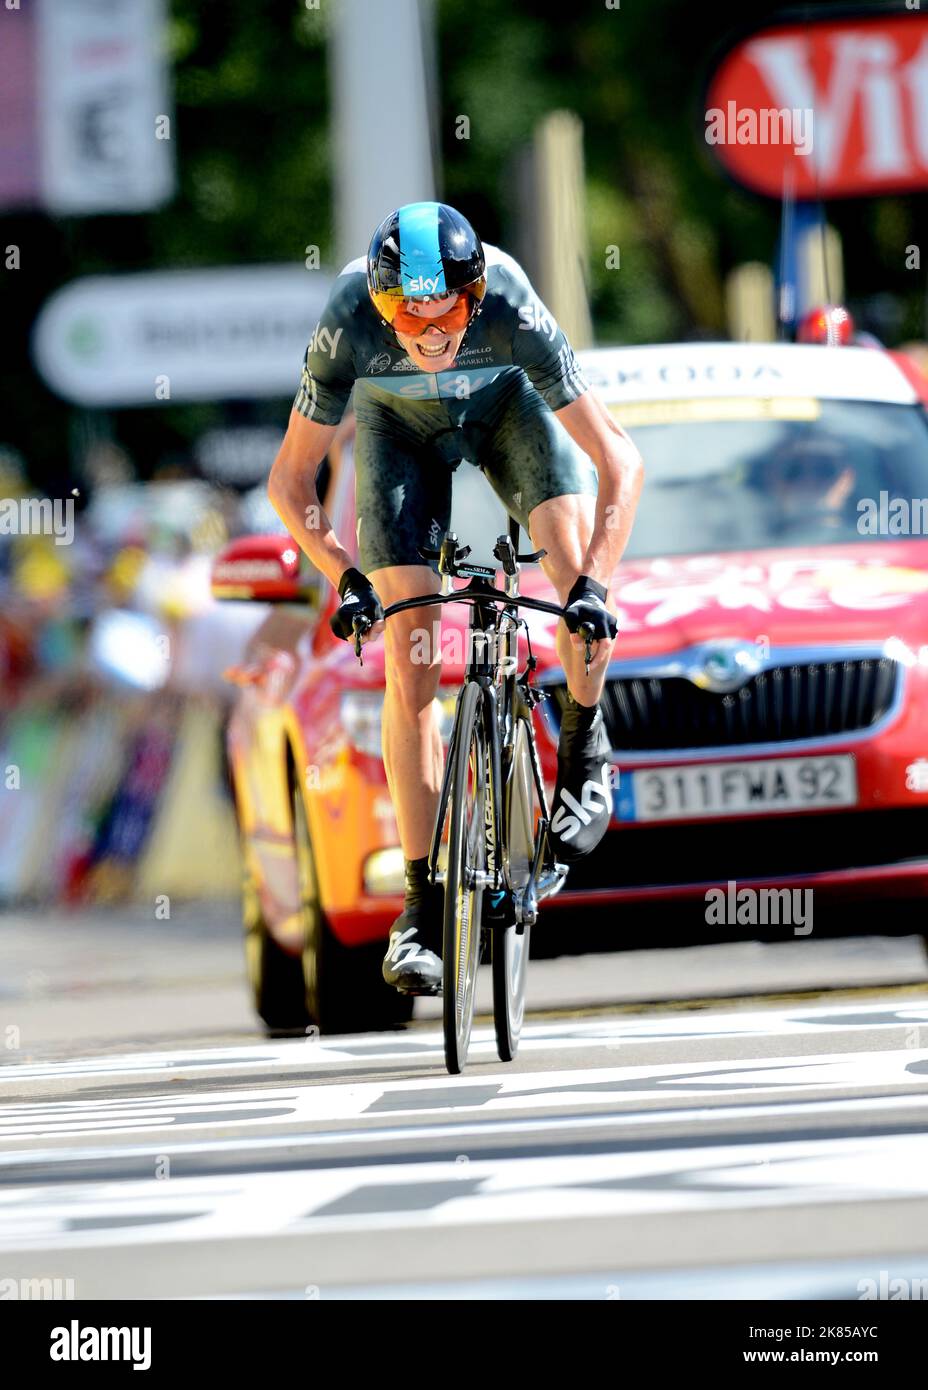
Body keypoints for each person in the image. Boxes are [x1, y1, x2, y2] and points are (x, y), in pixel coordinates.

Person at [269, 201, 643, 996]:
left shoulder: (508, 300)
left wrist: (594, 586)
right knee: (409, 662)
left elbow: (620, 460)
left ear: (476, 296)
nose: (433, 333)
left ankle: (584, 746)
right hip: (397, 427)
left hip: (509, 408)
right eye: (410, 316)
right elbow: (290, 479)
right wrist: (344, 575)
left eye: (450, 312)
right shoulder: (348, 318)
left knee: (570, 559)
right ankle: (421, 904)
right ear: (380, 307)